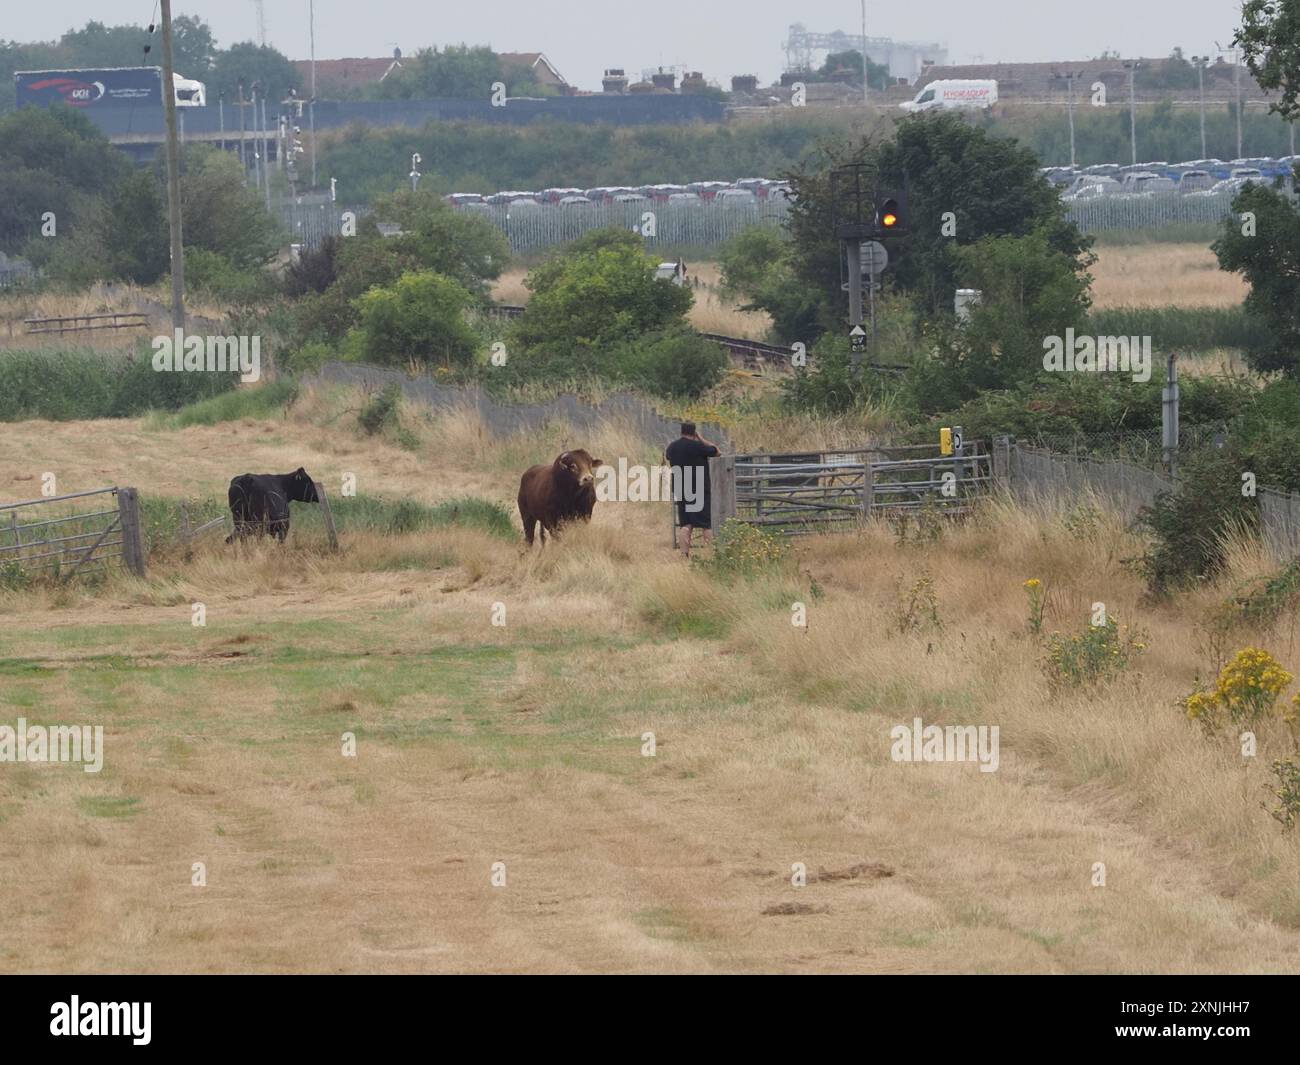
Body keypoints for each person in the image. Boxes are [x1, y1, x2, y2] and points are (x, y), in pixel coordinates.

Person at [665, 421, 721, 558]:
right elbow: (717, 452)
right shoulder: (698, 446)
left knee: (686, 524)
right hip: (699, 489)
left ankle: (684, 555)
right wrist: (701, 439)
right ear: (694, 432)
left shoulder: (672, 447)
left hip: (680, 488)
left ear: (681, 431)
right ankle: (711, 555)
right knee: (705, 524)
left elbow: (667, 457)